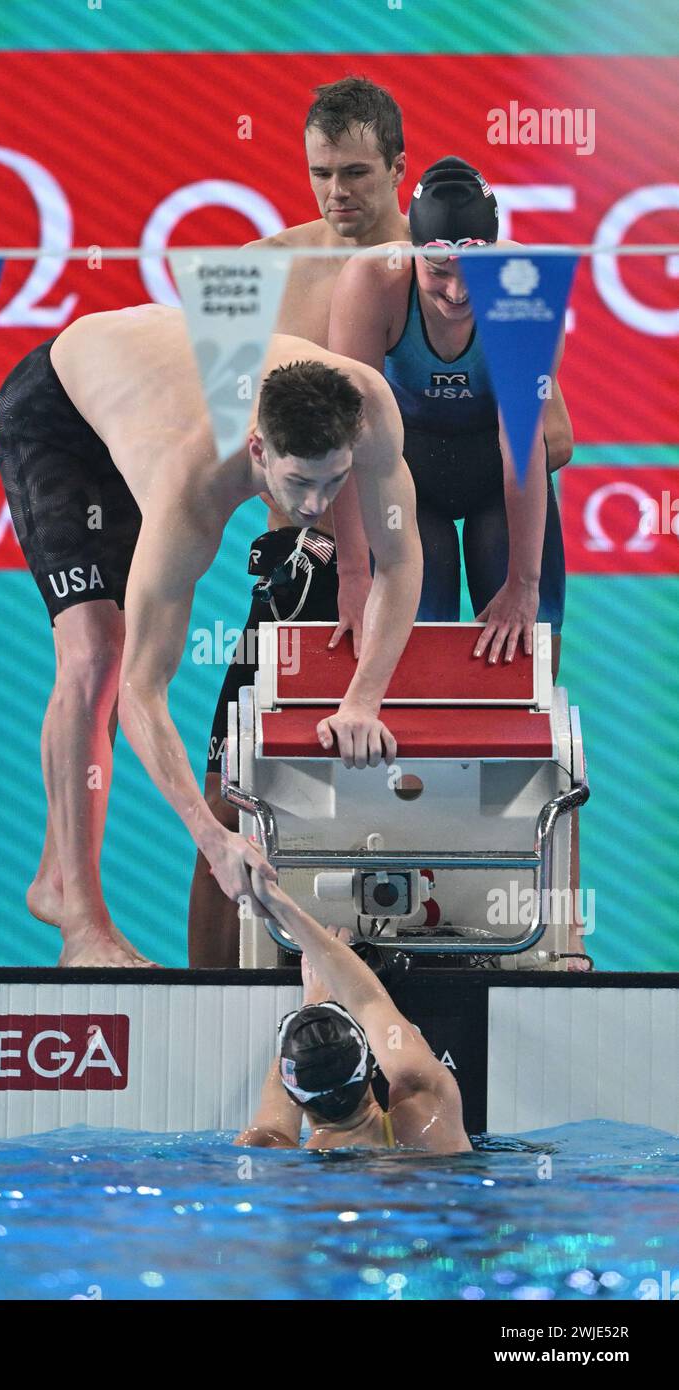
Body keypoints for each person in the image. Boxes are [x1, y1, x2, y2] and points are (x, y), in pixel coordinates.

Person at [0, 305, 421, 966]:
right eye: (299, 483)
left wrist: (363, 700)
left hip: (141, 388)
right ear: (257, 449)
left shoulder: (367, 402)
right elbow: (144, 689)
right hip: (56, 413)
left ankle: (56, 873)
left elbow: (399, 560)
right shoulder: (192, 485)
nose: (316, 505)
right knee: (100, 653)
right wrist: (210, 836)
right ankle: (79, 917)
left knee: (112, 650)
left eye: (334, 480)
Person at [328, 155, 589, 966]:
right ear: (414, 254)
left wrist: (521, 581)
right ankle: (417, 900)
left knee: (527, 675)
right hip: (410, 479)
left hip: (497, 475)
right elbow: (348, 438)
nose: (454, 291)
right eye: (439, 270)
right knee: (419, 673)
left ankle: (533, 918)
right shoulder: (373, 284)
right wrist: (354, 573)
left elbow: (523, 449)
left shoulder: (517, 291)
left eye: (470, 268)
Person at [189, 74, 411, 966]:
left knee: (409, 790)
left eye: (357, 173)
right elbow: (220, 433)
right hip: (307, 555)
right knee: (229, 791)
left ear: (400, 166)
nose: (337, 194)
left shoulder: (443, 278)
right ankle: (200, 999)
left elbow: (547, 439)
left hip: (411, 558)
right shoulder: (263, 265)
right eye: (322, 173)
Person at [235, 878, 471, 1152]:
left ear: (294, 1095)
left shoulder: (269, 1155)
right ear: (371, 1065)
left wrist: (312, 1006)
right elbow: (369, 1002)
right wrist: (277, 903)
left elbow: (274, 1121)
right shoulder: (429, 1115)